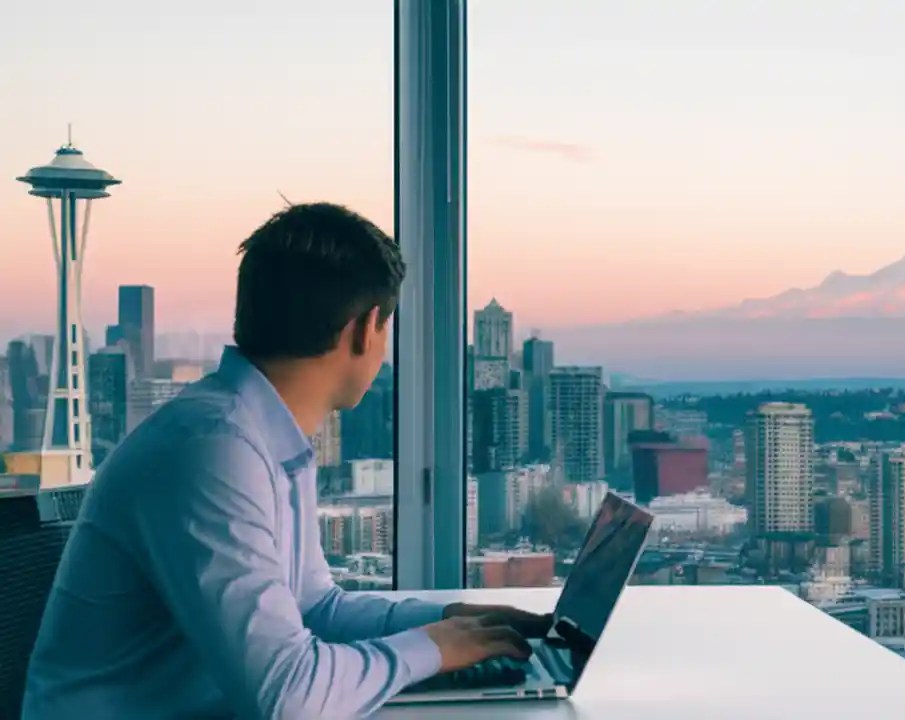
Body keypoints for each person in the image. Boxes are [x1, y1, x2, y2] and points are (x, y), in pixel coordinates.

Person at [23, 203, 548, 719]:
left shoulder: (263, 436)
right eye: (387, 328)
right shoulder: (213, 449)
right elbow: (288, 700)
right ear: (366, 329)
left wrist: (452, 622)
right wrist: (431, 649)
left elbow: (316, 608)